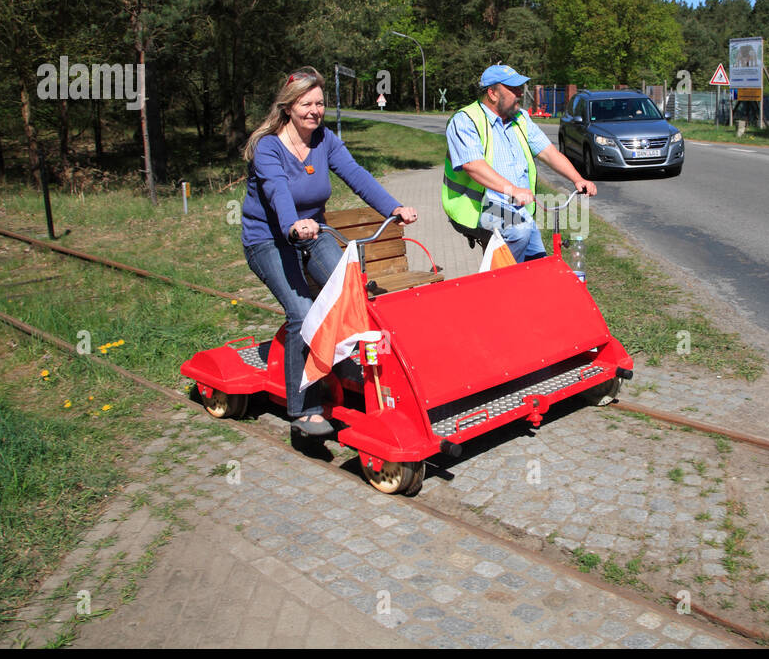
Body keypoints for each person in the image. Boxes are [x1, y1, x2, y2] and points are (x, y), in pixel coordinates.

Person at [241, 66, 418, 436]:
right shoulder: (268, 147)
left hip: (314, 232)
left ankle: (343, 364)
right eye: (306, 103)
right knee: (303, 312)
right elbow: (277, 190)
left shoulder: (325, 140)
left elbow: (356, 175)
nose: (314, 110)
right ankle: (303, 407)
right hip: (269, 238)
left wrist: (393, 207)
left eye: (320, 103)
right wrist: (292, 222)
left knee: (347, 295)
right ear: (288, 107)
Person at [442, 64, 596, 261]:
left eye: (519, 88)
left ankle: (516, 283)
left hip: (516, 209)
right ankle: (496, 283)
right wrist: (513, 190)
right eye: (513, 89)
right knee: (519, 232)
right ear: (493, 93)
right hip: (480, 207)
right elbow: (473, 165)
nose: (519, 94)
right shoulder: (465, 121)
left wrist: (577, 179)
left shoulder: (520, 118)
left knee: (538, 262)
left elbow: (548, 152)